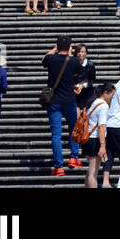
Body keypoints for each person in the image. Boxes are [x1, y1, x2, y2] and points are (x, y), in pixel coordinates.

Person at [42, 35, 82, 176]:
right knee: (73, 129)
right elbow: (77, 74)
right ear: (70, 47)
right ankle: (73, 157)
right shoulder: (74, 61)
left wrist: (54, 50)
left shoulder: (51, 59)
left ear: (57, 46)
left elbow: (44, 59)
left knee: (56, 134)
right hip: (70, 100)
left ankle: (59, 166)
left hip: (54, 102)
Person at [82, 81, 114, 188]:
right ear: (105, 93)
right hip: (95, 139)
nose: (112, 98)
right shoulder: (103, 106)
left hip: (86, 138)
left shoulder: (92, 102)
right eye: (112, 95)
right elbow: (101, 126)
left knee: (90, 170)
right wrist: (103, 145)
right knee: (93, 172)